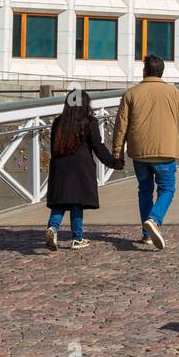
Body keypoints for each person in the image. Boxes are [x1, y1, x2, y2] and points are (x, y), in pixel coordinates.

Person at [112, 56, 179, 251]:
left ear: (144, 71)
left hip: (139, 152)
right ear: (161, 72)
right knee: (167, 189)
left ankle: (147, 234)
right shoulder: (174, 93)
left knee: (144, 190)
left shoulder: (131, 94)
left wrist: (117, 153)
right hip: (166, 151)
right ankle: (154, 219)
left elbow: (121, 127)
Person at [45, 90, 124, 251]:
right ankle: (77, 238)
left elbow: (53, 145)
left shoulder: (58, 122)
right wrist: (114, 162)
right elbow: (98, 146)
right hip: (80, 167)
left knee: (60, 202)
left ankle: (53, 228)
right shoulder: (89, 121)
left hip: (60, 166)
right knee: (76, 203)